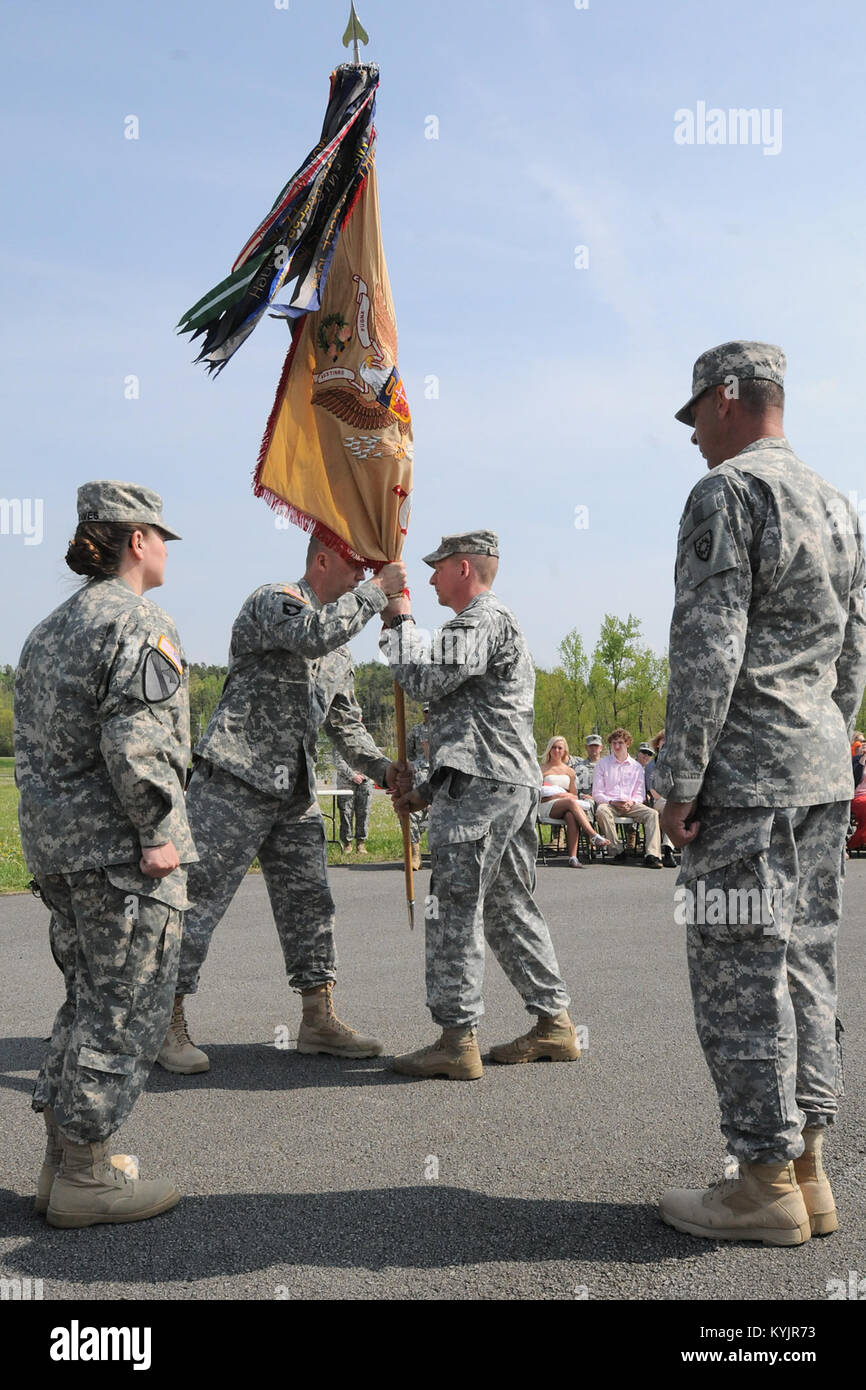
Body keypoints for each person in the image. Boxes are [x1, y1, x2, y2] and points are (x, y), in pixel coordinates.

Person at [655, 340, 866, 1245]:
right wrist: (825, 744)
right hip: (818, 773)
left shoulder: (729, 494)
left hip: (743, 784)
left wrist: (678, 781)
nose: (696, 434)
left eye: (698, 412)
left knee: (742, 974)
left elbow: (708, 650)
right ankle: (809, 1170)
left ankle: (761, 1182)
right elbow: (853, 657)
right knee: (806, 967)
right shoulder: (840, 505)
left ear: (731, 397)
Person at [14, 482, 195, 1227]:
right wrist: (157, 832)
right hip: (121, 852)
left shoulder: (50, 629)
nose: (164, 550)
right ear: (135, 540)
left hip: (61, 853)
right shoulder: (140, 622)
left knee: (86, 999)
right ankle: (85, 1179)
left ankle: (64, 1164)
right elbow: (137, 742)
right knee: (124, 1008)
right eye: (160, 536)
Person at [156, 539, 407, 1075]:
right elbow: (314, 634)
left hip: (292, 793)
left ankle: (318, 1018)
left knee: (311, 906)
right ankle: (164, 1019)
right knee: (196, 901)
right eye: (355, 563)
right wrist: (377, 591)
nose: (364, 572)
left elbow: (346, 727)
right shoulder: (277, 601)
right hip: (234, 779)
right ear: (322, 560)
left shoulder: (341, 648)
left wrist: (386, 771)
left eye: (369, 567)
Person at [381, 530, 579, 1079]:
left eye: (437, 567)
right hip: (496, 785)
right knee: (508, 907)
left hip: (483, 791)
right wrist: (425, 788)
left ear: (463, 568)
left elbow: (426, 677)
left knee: (454, 910)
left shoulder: (480, 619)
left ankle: (456, 1038)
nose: (429, 578)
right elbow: (467, 717)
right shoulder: (485, 624)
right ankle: (554, 1023)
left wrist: (398, 621)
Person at [592, 729, 663, 867]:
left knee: (652, 814)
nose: (617, 747)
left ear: (628, 744)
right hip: (610, 803)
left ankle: (652, 855)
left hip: (631, 805)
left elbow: (640, 794)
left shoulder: (636, 767)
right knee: (601, 811)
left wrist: (631, 802)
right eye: (614, 743)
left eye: (620, 743)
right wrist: (612, 801)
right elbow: (597, 793)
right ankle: (618, 851)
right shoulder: (602, 764)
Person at [540, 736, 610, 866]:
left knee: (571, 815)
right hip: (546, 806)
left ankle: (573, 857)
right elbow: (539, 795)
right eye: (553, 747)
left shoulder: (570, 771)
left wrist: (564, 796)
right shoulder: (542, 769)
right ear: (549, 750)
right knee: (571, 804)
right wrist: (560, 796)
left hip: (566, 806)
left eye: (560, 748)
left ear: (564, 751)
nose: (556, 750)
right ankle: (593, 835)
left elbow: (574, 795)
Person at [639, 737, 677, 868]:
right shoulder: (651, 766)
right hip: (657, 801)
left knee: (673, 810)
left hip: (673, 801)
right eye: (663, 744)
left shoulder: (676, 763)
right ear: (657, 747)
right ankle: (668, 849)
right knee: (670, 808)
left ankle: (668, 848)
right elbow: (652, 790)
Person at [333, 748, 373, 854]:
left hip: (365, 782)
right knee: (346, 813)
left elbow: (374, 759)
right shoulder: (339, 741)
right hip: (345, 782)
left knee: (364, 812)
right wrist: (353, 776)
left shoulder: (366, 738)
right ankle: (347, 844)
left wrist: (363, 775)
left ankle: (361, 843)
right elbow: (338, 761)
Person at [406, 706, 430, 869]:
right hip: (419, 775)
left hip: (443, 775)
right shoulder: (416, 730)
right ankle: (415, 853)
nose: (429, 714)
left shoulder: (447, 728)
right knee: (412, 814)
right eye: (426, 711)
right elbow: (410, 752)